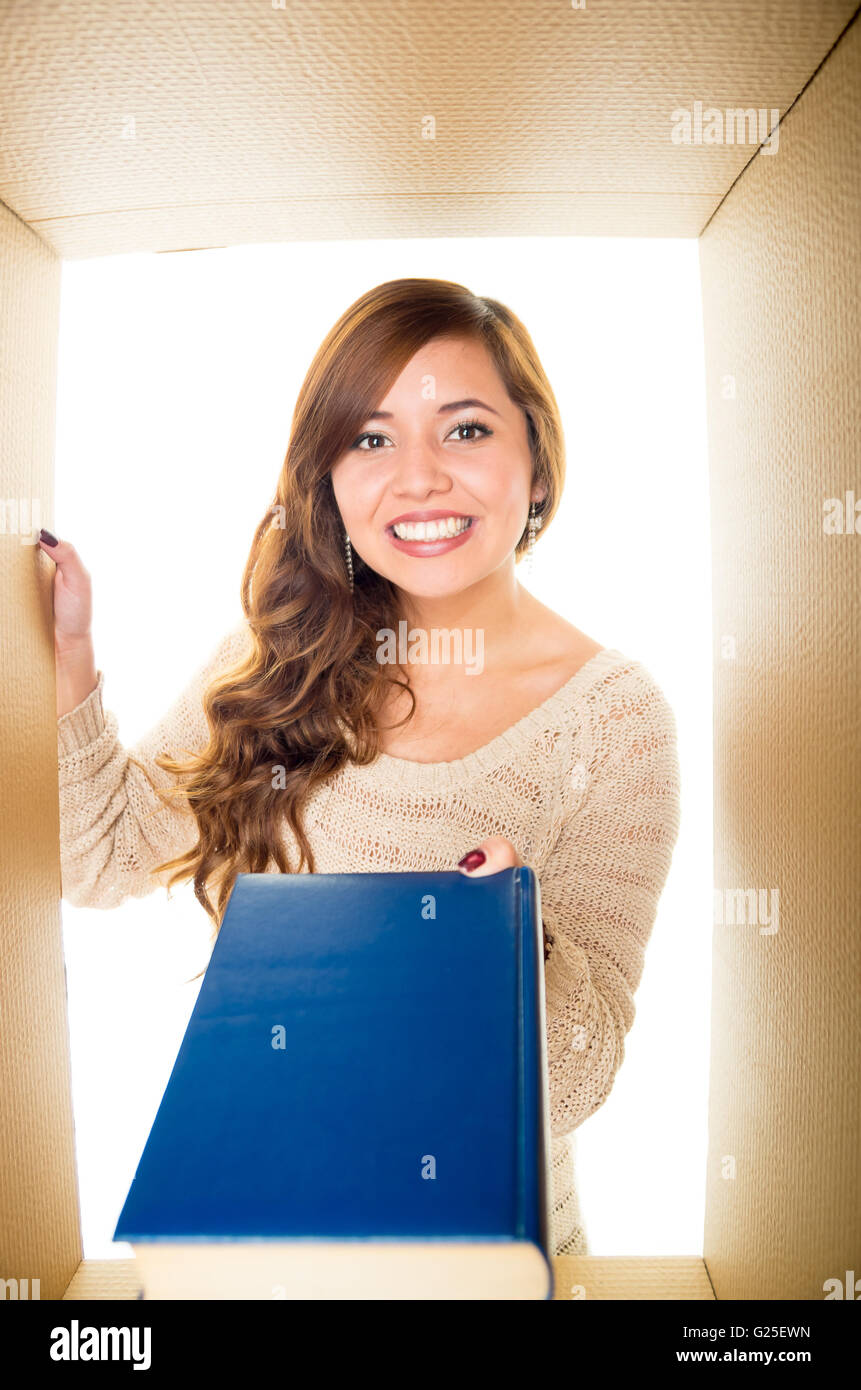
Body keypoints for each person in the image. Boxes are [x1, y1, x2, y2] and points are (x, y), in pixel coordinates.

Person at [42, 277, 681, 1257]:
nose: (418, 478)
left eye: (465, 430)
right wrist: (70, 656)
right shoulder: (278, 661)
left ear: (538, 465)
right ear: (330, 478)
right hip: (256, 1218)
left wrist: (514, 941)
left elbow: (584, 1084)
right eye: (371, 438)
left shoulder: (616, 719)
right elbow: (101, 857)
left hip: (476, 1256)